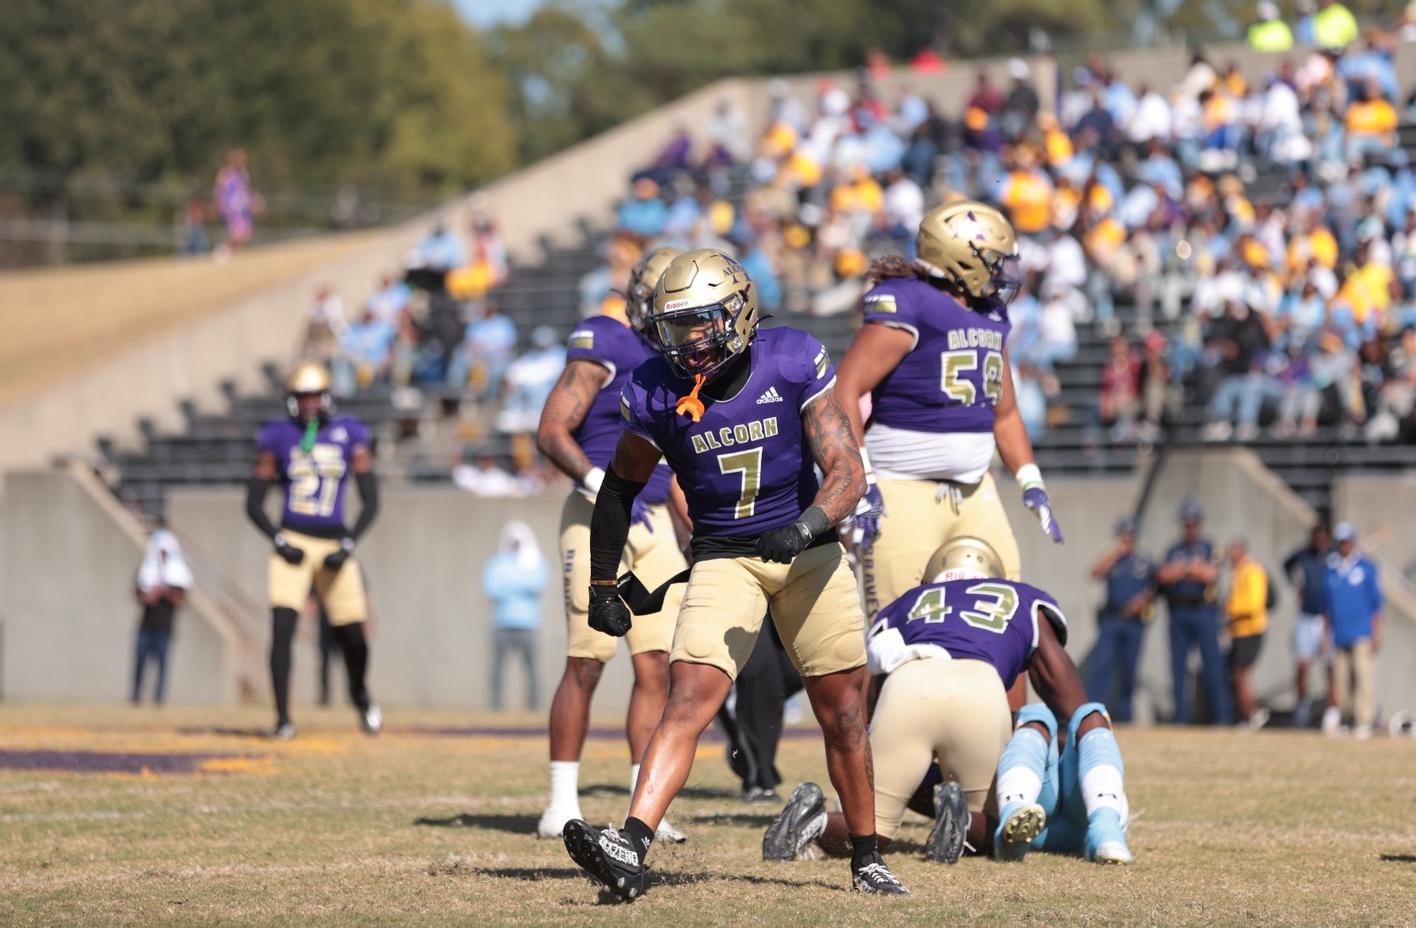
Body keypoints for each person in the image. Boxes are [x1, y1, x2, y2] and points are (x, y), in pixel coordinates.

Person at [562, 249, 908, 898]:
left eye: (698, 323)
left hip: (807, 552)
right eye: (674, 326)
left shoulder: (791, 358)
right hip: (725, 557)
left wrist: (805, 526)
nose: (685, 341)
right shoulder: (654, 390)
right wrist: (603, 583)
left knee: (844, 713)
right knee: (688, 696)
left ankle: (867, 856)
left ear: (737, 313)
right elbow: (618, 489)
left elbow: (846, 470)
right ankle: (630, 846)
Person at [763, 537, 1133, 866]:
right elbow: (1064, 689)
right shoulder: (1022, 598)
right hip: (979, 688)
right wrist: (1074, 730)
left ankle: (815, 821)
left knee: (871, 831)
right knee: (1004, 826)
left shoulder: (905, 603)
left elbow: (871, 696)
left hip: (906, 686)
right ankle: (962, 820)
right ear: (992, 572)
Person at [835, 201, 1064, 622]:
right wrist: (860, 481)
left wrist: (1031, 479)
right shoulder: (909, 303)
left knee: (1010, 620)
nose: (1003, 273)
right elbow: (846, 391)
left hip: (976, 491)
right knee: (894, 629)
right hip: (901, 493)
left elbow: (1006, 414)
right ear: (960, 259)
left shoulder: (990, 314)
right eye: (994, 262)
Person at [533, 247, 690, 843]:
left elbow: (675, 467)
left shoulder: (678, 366)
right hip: (599, 514)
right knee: (586, 663)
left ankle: (642, 804)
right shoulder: (605, 339)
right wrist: (597, 481)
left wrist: (691, 531)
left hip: (651, 521)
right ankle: (561, 801)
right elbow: (551, 429)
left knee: (658, 669)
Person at [245, 361, 382, 739]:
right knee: (283, 628)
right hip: (293, 538)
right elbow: (253, 503)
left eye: (315, 396)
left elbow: (371, 500)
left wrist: (349, 542)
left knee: (353, 635)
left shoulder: (351, 433)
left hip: (335, 541)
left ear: (327, 397)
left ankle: (360, 693)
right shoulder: (277, 435)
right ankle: (283, 718)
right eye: (302, 397)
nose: (309, 404)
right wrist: (278, 540)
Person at [1157, 498, 1231, 725]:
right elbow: (1163, 575)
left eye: (1193, 523)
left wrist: (1184, 569)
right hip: (1179, 611)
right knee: (1178, 668)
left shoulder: (1209, 546)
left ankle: (1221, 717)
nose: (1190, 527)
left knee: (1213, 665)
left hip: (1204, 611)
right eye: (1187, 523)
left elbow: (1210, 574)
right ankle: (1181, 716)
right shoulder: (1173, 549)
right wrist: (1192, 568)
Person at [715, 619, 804, 802]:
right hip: (744, 598)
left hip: (781, 597)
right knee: (759, 674)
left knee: (795, 673)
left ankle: (738, 728)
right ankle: (759, 780)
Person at [1086, 518, 1157, 723]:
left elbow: (1157, 585)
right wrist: (1116, 554)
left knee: (1129, 669)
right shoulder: (1112, 559)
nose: (1127, 541)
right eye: (1123, 537)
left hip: (1134, 623)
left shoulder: (1144, 562)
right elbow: (1094, 572)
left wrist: (1143, 600)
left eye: (1130, 537)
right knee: (1103, 666)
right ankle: (1093, 713)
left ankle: (1126, 715)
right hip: (1111, 619)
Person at [1321, 523, 1383, 739]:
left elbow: (1376, 605)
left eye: (1347, 541)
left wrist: (1376, 632)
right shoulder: (1330, 569)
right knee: (1341, 682)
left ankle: (1364, 721)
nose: (1344, 545)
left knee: (1363, 678)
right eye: (1341, 542)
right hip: (1339, 633)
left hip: (1361, 632)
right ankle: (1346, 718)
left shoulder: (1366, 567)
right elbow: (1326, 607)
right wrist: (1326, 636)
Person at [483, 521, 547, 712]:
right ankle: (496, 706)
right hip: (502, 623)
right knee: (498, 669)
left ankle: (534, 705)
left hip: (528, 624)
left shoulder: (535, 562)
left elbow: (537, 584)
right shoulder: (496, 563)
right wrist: (521, 586)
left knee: (532, 669)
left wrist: (509, 584)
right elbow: (492, 589)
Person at [132, 524, 193, 705]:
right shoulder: (146, 570)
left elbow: (183, 600)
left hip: (165, 629)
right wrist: (149, 596)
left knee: (162, 668)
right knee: (140, 666)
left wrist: (163, 592)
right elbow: (136, 593)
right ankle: (136, 698)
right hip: (145, 627)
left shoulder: (178, 574)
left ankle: (159, 700)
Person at [1285, 523, 1335, 727]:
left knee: (1330, 667)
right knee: (1303, 666)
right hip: (1307, 616)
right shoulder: (1303, 555)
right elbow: (1286, 564)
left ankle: (1332, 712)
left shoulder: (1333, 557)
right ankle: (1302, 707)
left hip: (1327, 619)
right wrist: (1296, 585)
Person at [1224, 538, 1270, 729]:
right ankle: (1247, 714)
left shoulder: (1253, 571)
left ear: (1242, 551)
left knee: (1242, 673)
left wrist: (1230, 607)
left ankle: (1254, 712)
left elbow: (1253, 604)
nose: (1230, 556)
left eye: (1233, 551)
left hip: (1251, 630)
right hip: (1239, 631)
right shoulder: (1238, 572)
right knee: (1238, 674)